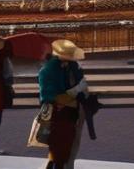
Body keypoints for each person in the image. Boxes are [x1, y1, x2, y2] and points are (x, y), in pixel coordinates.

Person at [38, 39, 88, 169]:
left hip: (71, 114)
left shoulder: (72, 68)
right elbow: (51, 96)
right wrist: (76, 90)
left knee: (66, 148)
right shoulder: (48, 71)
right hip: (58, 115)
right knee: (59, 149)